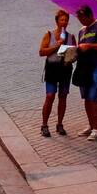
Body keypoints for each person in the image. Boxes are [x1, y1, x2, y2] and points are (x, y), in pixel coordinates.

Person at [73, 3, 97, 141]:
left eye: (83, 18)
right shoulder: (81, 31)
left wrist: (89, 46)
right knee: (86, 98)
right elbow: (80, 49)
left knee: (93, 96)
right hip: (83, 67)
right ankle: (90, 125)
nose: (82, 22)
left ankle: (96, 129)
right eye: (79, 19)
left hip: (96, 66)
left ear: (90, 15)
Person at [39, 9, 76, 137]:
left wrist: (71, 57)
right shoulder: (49, 35)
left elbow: (75, 54)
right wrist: (57, 46)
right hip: (52, 68)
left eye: (66, 20)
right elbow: (42, 52)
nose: (64, 22)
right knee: (50, 96)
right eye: (61, 20)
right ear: (57, 21)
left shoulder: (71, 37)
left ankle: (60, 124)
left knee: (63, 96)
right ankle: (44, 125)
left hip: (65, 69)